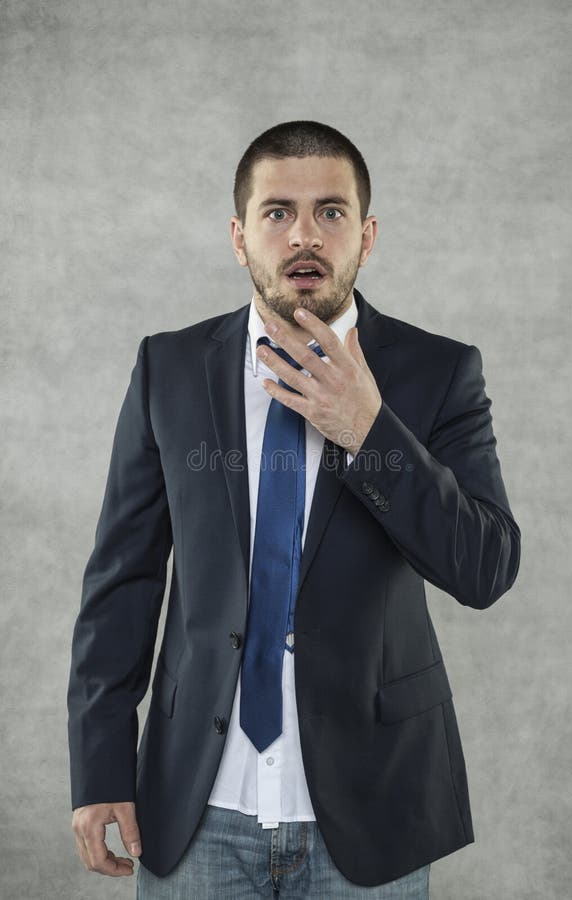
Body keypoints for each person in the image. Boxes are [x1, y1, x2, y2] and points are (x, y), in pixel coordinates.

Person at [68, 120, 521, 899]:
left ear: (367, 236)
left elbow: (484, 567)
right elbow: (124, 578)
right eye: (278, 212)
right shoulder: (168, 368)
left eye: (331, 212)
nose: (304, 234)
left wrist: (370, 431)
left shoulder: (439, 372)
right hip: (196, 808)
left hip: (371, 812)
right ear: (240, 237)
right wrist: (99, 764)